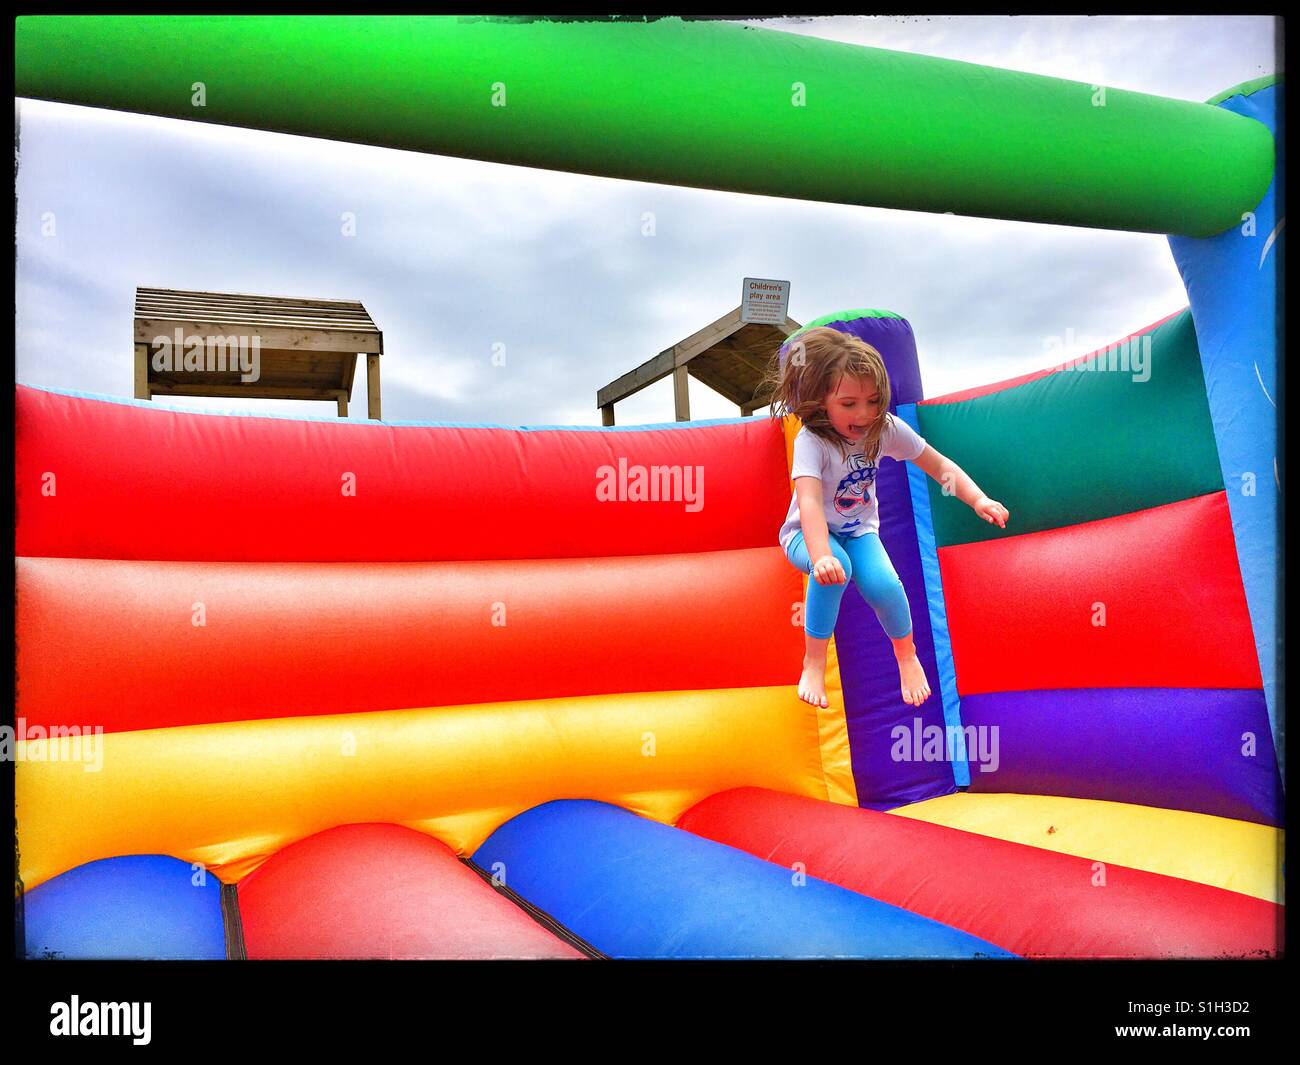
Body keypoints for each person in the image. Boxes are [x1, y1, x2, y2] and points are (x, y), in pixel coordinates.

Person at [767, 326, 1010, 709]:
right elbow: (810, 502)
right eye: (849, 404)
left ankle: (906, 655)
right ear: (822, 401)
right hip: (805, 535)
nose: (863, 414)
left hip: (858, 529)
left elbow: (937, 464)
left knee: (886, 585)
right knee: (837, 569)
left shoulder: (885, 430)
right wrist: (821, 555)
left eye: (873, 401)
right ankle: (813, 662)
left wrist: (977, 499)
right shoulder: (812, 442)